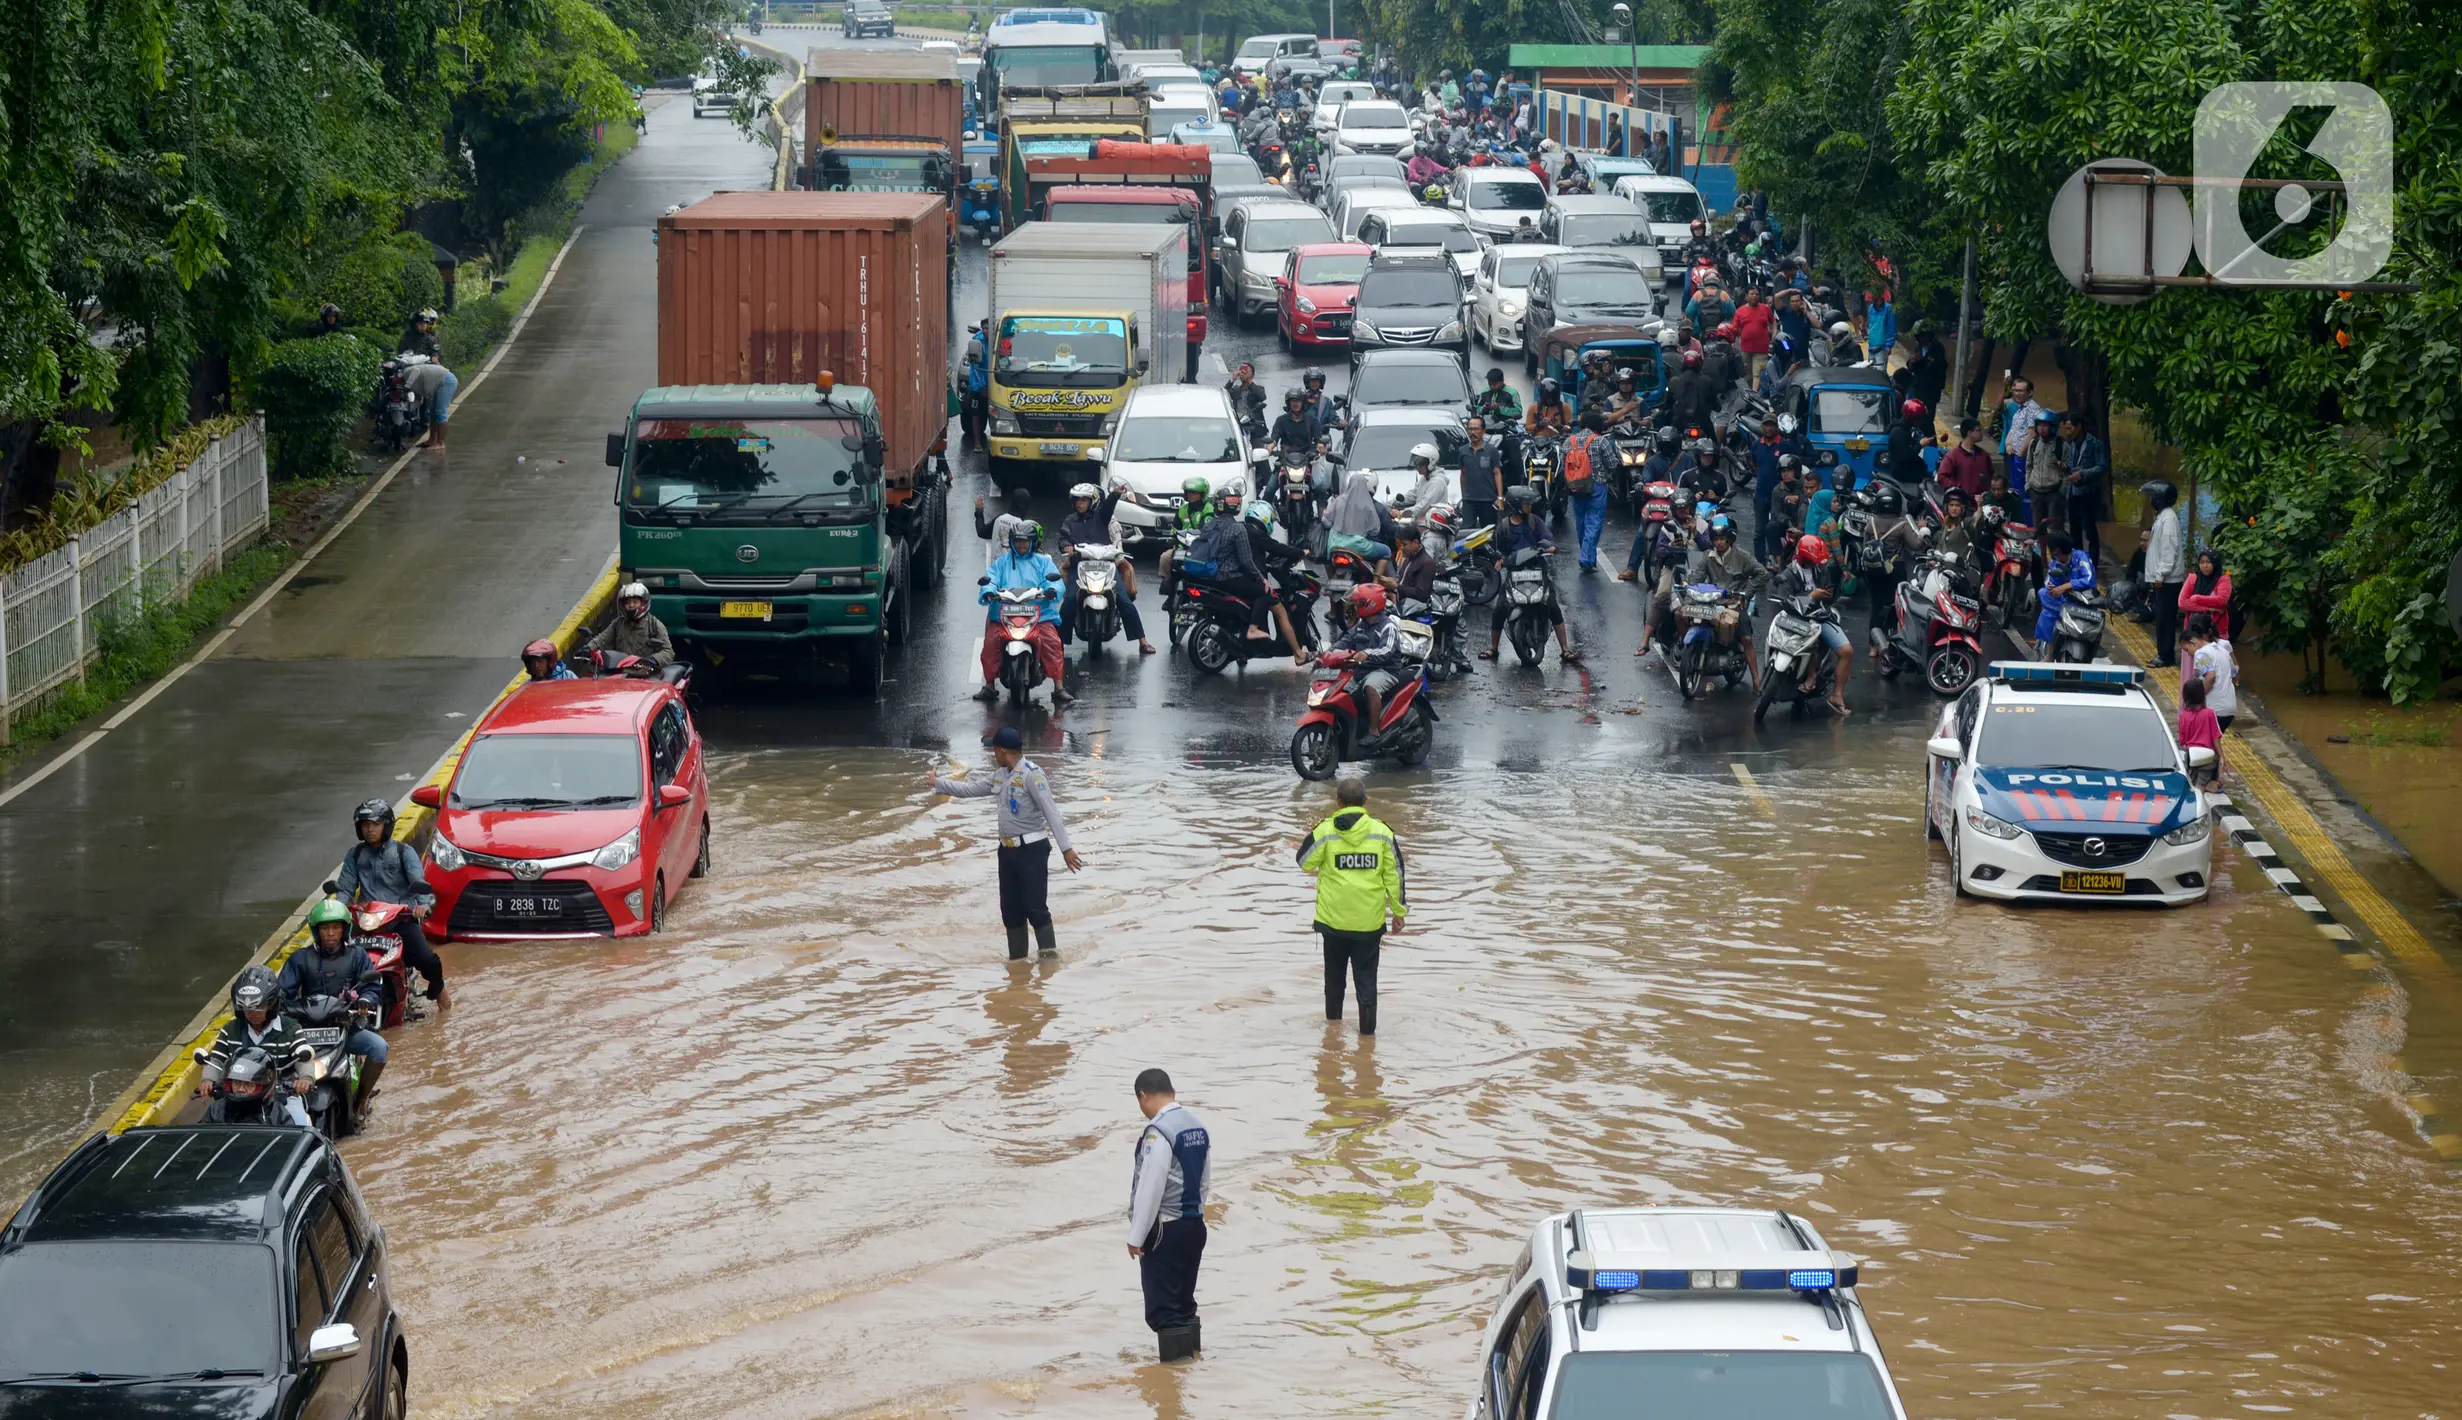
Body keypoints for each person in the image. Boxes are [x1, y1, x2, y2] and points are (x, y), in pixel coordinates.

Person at [928, 724, 1083, 960]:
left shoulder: (1033, 774)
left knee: (1035, 908)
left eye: (994, 751)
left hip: (1032, 850)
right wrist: (938, 783)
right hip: (1007, 852)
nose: (992, 755)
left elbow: (1052, 812)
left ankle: (1049, 963)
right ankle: (1018, 966)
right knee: (1010, 911)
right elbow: (970, 789)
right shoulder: (1000, 776)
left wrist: (1067, 849)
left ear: (1001, 751)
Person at [1126, 1068, 1211, 1362]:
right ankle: (1192, 1367)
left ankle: (1173, 1389)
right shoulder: (1196, 1126)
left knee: (1166, 1311)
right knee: (1184, 1304)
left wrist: (1136, 1237)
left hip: (1166, 1231)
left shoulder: (1158, 1132)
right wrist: (1194, 1215)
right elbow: (1204, 1182)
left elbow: (1150, 1189)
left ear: (1143, 1096)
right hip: (1194, 1225)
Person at [276, 898, 388, 1114]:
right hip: (306, 1030)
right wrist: (276, 1004)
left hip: (346, 1026)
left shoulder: (357, 956)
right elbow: (283, 991)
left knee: (379, 1048)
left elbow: (372, 987)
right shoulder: (300, 959)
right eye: (325, 928)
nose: (330, 933)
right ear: (316, 931)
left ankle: (361, 1100)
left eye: (335, 927)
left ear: (344, 930)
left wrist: (365, 1000)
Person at [335, 797, 449, 1009]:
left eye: (375, 824)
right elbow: (345, 889)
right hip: (367, 921)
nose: (370, 830)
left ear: (386, 826)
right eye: (365, 825)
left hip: (400, 919)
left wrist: (421, 905)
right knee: (337, 958)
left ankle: (440, 990)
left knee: (426, 958)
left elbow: (418, 881)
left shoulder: (403, 852)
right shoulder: (355, 854)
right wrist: (336, 911)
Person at [194, 965, 313, 1128]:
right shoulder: (230, 1030)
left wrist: (306, 1078)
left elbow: (303, 1059)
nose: (252, 1013)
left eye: (259, 1008)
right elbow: (216, 1059)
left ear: (272, 1004)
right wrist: (208, 1079)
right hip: (237, 1098)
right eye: (247, 1008)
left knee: (300, 1127)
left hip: (281, 1097)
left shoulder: (291, 1029)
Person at [974, 522, 1072, 704]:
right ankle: (989, 685)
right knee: (990, 645)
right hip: (1005, 615)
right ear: (1012, 542)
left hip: (1039, 615)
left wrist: (1051, 590)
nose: (1021, 545)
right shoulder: (1002, 562)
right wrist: (988, 590)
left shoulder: (1044, 562)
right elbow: (991, 578)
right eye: (1017, 541)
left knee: (1052, 643)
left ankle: (1058, 687)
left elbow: (1055, 581)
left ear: (1033, 542)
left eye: (1025, 541)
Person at [1482, 486, 1581, 662]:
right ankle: (1493, 648)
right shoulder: (1503, 527)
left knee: (1552, 606)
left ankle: (1565, 649)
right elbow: (1499, 551)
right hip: (1515, 573)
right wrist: (1499, 559)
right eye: (1527, 504)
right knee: (1499, 609)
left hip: (1537, 571)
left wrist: (1549, 547)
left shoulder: (1536, 522)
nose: (1530, 507)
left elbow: (1550, 541)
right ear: (1517, 506)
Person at [1058, 483, 1157, 655]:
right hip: (1080, 565)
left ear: (1093, 501)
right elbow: (1062, 538)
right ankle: (1059, 643)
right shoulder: (1070, 520)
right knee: (1070, 601)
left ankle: (1142, 641)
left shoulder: (1101, 517)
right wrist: (1066, 547)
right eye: (1077, 500)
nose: (1079, 503)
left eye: (1084, 500)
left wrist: (1116, 495)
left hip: (1106, 565)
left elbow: (1108, 506)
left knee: (1124, 601)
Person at [1774, 533, 1852, 714]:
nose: (1815, 564)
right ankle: (1809, 676)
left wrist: (1828, 595)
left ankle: (1837, 695)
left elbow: (1827, 596)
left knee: (1847, 651)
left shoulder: (1822, 571)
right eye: (1811, 561)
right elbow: (1785, 601)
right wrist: (1811, 596)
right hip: (1794, 619)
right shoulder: (1788, 574)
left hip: (1818, 617)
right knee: (1811, 642)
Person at [396, 308, 457, 448]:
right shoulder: (406, 338)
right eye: (420, 323)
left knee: (438, 412)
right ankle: (431, 440)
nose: (423, 326)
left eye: (425, 324)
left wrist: (435, 358)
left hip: (430, 375)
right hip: (418, 373)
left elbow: (436, 352)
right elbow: (400, 354)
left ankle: (440, 442)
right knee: (434, 412)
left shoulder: (430, 339)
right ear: (414, 324)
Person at [2141, 479, 2187, 663]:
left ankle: (2166, 655)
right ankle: (2163, 652)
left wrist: (2160, 575)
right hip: (2164, 579)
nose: (2151, 500)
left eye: (2154, 496)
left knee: (2165, 620)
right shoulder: (2164, 517)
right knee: (2161, 619)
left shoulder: (2168, 520)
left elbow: (2169, 550)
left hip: (2168, 581)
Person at [2032, 528, 2097, 656]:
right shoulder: (2056, 563)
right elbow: (2049, 581)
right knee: (2043, 594)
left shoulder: (2081, 557)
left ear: (2057, 550)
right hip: (2063, 602)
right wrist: (2052, 586)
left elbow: (2088, 579)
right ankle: (2049, 654)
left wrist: (2065, 587)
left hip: (2084, 601)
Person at [1565, 410, 1615, 571]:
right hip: (1597, 485)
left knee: (1580, 521)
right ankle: (1586, 558)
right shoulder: (1600, 441)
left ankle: (1588, 556)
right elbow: (1612, 464)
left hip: (1575, 486)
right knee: (1593, 522)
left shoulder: (1569, 441)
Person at [586, 581, 676, 669]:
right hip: (620, 671)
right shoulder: (618, 623)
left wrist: (653, 660)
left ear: (643, 603)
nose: (631, 605)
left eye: (635, 602)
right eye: (628, 603)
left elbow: (668, 652)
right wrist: (588, 649)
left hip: (646, 673)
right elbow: (602, 640)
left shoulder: (654, 625)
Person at [2058, 412, 2108, 564]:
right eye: (2065, 429)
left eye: (2069, 428)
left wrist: (2082, 474)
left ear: (2079, 427)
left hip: (2088, 492)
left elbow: (2102, 466)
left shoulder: (2094, 444)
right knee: (2074, 529)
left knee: (2089, 530)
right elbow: (2073, 467)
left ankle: (2093, 563)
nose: (2067, 432)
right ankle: (2078, 561)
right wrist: (2066, 468)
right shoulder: (2072, 444)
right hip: (2073, 492)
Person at [1998, 376, 2048, 518]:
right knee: (2015, 491)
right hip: (2013, 455)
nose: (2017, 394)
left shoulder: (2032, 408)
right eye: (2015, 390)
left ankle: (2028, 524)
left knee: (2024, 494)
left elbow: (2032, 433)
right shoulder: (2020, 409)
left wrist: (2020, 455)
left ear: (2030, 393)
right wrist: (2008, 444)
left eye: (2021, 391)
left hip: (2024, 458)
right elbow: (2013, 430)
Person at [1324, 470, 1394, 568]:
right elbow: (1375, 530)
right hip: (1357, 545)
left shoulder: (1339, 500)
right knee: (1386, 551)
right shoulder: (1367, 504)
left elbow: (1325, 521)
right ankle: (1376, 581)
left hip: (1334, 544)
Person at [2184, 612, 2239, 732]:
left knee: (2201, 745)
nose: (2188, 653)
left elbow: (2210, 677)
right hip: (2229, 709)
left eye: (2187, 649)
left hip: (2213, 709)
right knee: (2213, 743)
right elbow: (2235, 673)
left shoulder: (2201, 653)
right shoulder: (2222, 649)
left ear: (2193, 640)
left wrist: (2196, 701)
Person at [2177, 548, 2233, 650]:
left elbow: (2221, 600)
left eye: (2208, 562)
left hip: (2215, 631)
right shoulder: (2193, 578)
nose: (2204, 566)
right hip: (2192, 631)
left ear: (2215, 563)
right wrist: (2208, 609)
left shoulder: (2223, 580)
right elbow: (2182, 603)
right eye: (2202, 562)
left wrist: (2196, 598)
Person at [1458, 417, 1506, 529]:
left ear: (1483, 431)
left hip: (1488, 499)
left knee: (1489, 532)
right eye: (1470, 429)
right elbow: (1463, 474)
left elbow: (1497, 473)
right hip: (1469, 500)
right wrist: (1463, 496)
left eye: (1476, 429)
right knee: (1466, 531)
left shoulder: (1492, 450)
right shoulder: (1462, 451)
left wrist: (1500, 498)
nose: (1472, 432)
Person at [2177, 674, 2223, 786]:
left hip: (2191, 755)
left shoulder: (2183, 716)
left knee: (2190, 783)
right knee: (2201, 784)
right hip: (2208, 757)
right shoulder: (2210, 713)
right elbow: (2215, 737)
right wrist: (2222, 756)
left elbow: (2182, 740)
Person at [1659, 349, 1718, 434]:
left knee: (1668, 440)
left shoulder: (1674, 381)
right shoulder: (1707, 381)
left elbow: (1668, 402)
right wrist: (1716, 407)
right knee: (1713, 442)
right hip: (1702, 420)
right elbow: (1713, 401)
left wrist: (1666, 408)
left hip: (1679, 421)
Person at [975, 484, 1035, 562]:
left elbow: (981, 532)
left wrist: (979, 511)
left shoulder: (999, 519)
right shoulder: (1023, 527)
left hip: (995, 570)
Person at [1938, 419, 1991, 503]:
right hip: (1961, 504)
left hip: (1982, 504)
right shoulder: (1952, 456)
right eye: (1978, 430)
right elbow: (1942, 478)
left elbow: (1990, 476)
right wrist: (1959, 489)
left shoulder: (1984, 455)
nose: (1981, 433)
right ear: (1969, 432)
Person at [1732, 288, 1775, 388]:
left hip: (1761, 348)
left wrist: (1774, 333)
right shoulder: (1740, 311)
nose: (1754, 296)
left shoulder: (1765, 308)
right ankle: (1751, 394)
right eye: (1751, 294)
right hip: (1745, 348)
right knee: (1747, 375)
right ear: (1746, 296)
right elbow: (1735, 328)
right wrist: (1742, 334)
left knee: (1758, 373)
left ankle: (1754, 395)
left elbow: (1773, 322)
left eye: (1756, 294)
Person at [1887, 399, 1933, 486]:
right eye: (1919, 419)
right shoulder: (1898, 432)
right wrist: (1919, 445)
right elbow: (1903, 456)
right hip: (1902, 472)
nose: (1920, 421)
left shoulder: (1906, 428)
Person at [1223, 361, 1267, 434]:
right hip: (1239, 426)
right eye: (1242, 371)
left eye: (1247, 371)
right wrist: (1232, 380)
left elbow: (1262, 396)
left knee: (1258, 444)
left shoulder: (1258, 388)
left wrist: (1249, 381)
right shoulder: (1236, 390)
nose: (1244, 373)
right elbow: (1224, 395)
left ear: (1252, 375)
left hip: (1255, 428)